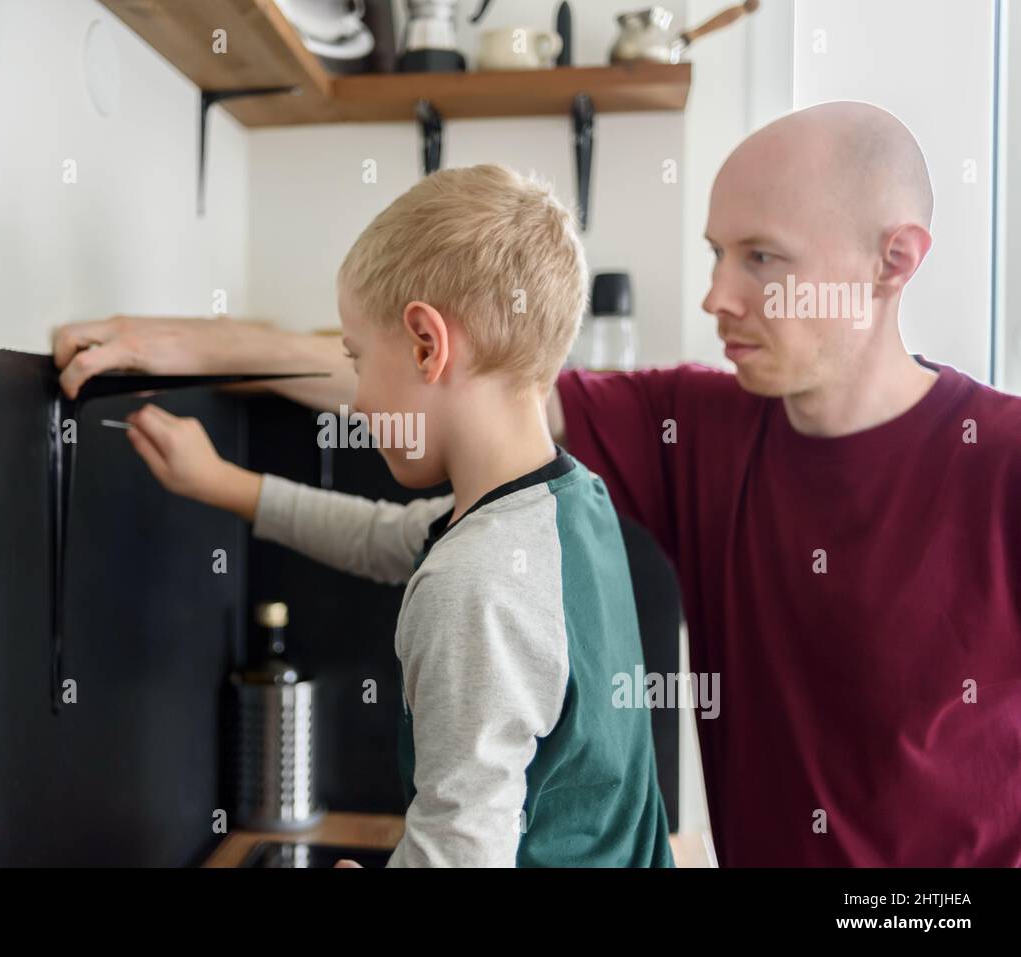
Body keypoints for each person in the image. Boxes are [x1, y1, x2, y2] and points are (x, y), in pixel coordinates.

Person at [54, 103, 1021, 867]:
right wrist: (193, 358)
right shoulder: (678, 436)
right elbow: (436, 436)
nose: (714, 296)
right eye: (715, 253)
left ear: (896, 260)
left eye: (761, 257)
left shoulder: (1004, 460)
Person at [93, 165, 673, 866]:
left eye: (358, 359)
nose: (359, 402)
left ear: (428, 344)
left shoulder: (475, 582)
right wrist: (219, 481)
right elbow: (381, 536)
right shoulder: (571, 506)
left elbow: (459, 853)